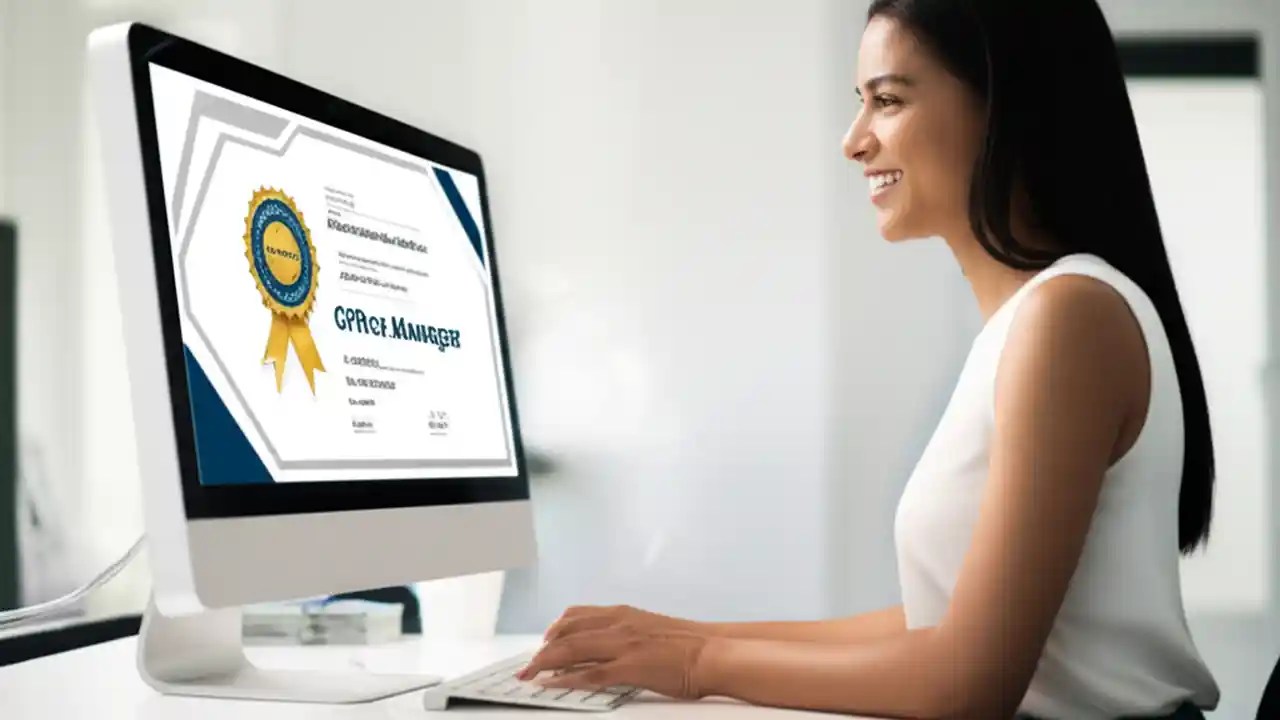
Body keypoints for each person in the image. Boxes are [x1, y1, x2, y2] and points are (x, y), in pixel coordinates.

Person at [515, 1, 1221, 718]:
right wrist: (684, 634)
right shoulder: (1036, 320)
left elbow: (967, 679)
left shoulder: (1069, 317)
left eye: (886, 101)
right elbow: (938, 626)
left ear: (1003, 106)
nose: (853, 141)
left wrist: (700, 663)